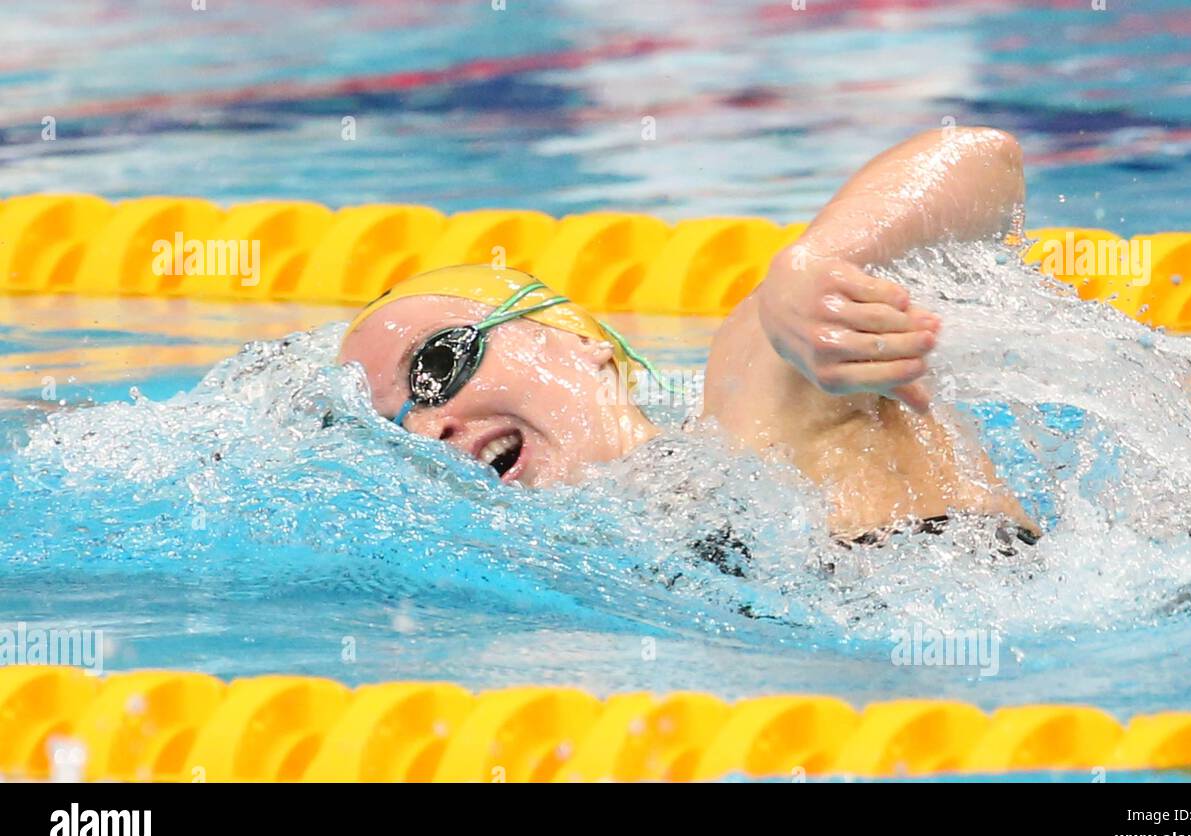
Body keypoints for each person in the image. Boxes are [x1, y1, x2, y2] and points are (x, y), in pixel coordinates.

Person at [339, 126, 1039, 547]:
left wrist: (814, 263)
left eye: (436, 366)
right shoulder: (630, 550)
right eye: (397, 430)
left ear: (582, 341)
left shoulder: (756, 382)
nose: (428, 429)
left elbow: (983, 158)